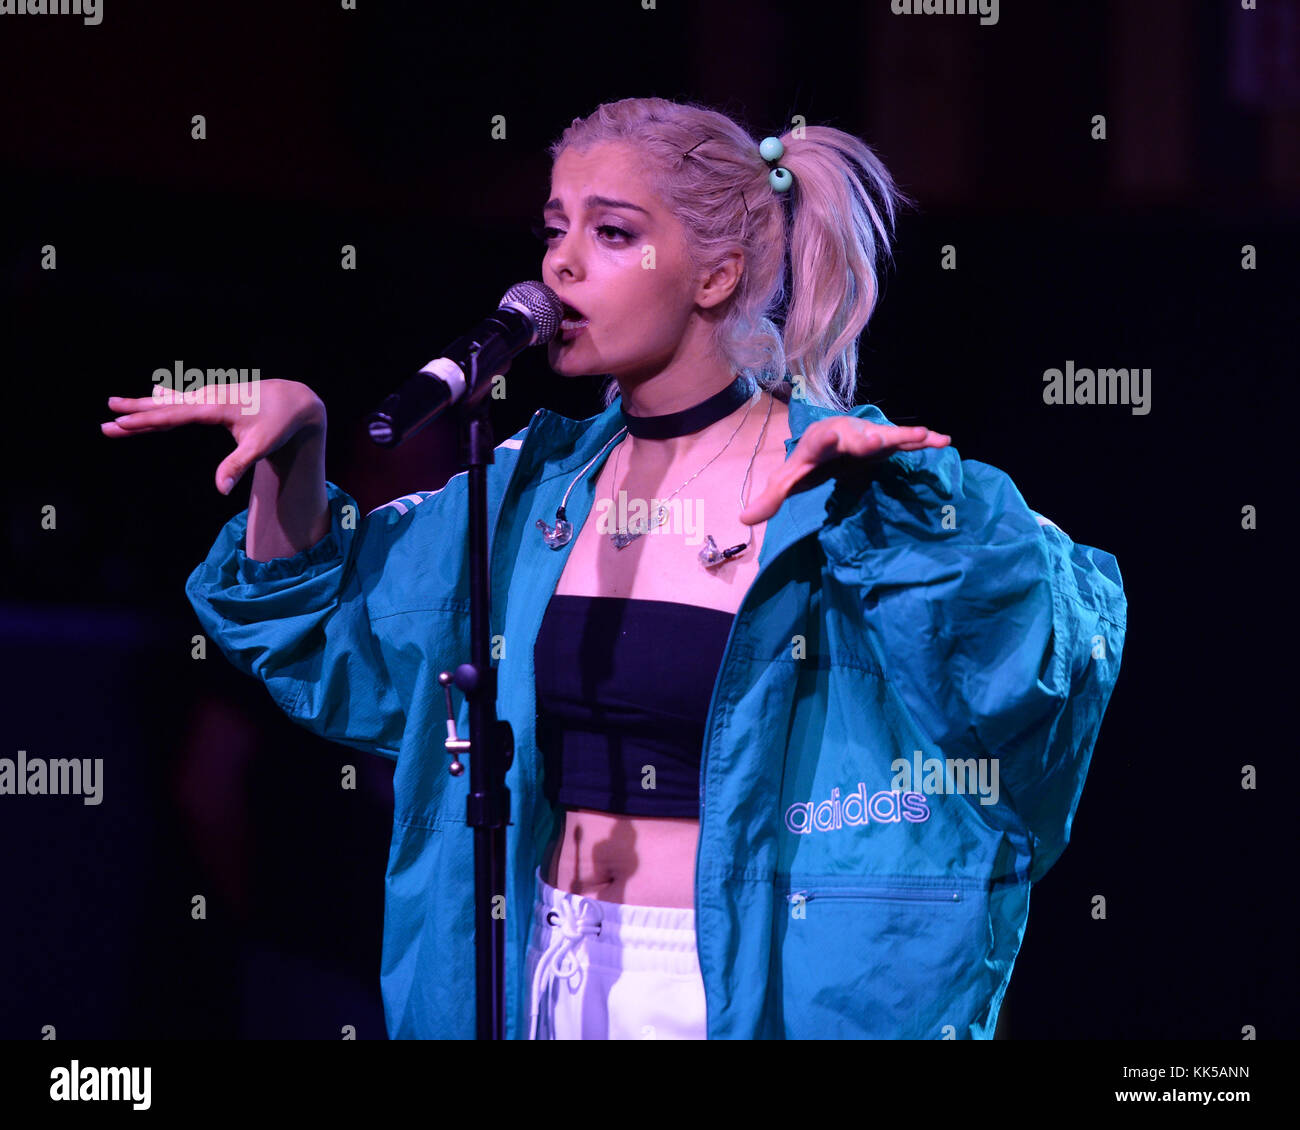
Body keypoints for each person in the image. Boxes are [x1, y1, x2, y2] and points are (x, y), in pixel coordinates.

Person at [102, 96, 1127, 1040]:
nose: (560, 266)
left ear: (716, 275)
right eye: (554, 228)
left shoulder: (847, 480)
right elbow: (339, 640)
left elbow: (1025, 677)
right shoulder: (527, 489)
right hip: (540, 964)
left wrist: (915, 520)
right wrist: (299, 456)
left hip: (734, 980)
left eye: (613, 232)